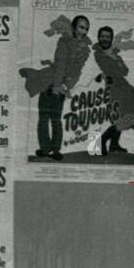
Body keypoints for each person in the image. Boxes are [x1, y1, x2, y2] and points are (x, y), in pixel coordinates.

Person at [36, 15, 91, 161]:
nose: (83, 31)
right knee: (45, 118)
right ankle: (46, 149)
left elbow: (76, 70)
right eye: (81, 27)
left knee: (53, 119)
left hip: (57, 85)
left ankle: (53, 150)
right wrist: (60, 85)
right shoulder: (65, 42)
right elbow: (60, 65)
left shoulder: (84, 49)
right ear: (73, 27)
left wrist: (63, 86)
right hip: (51, 83)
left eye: (86, 28)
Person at [93, 25, 134, 155]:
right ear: (98, 37)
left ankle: (114, 144)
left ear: (111, 39)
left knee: (125, 114)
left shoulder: (114, 54)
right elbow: (113, 70)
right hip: (114, 88)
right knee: (124, 116)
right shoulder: (98, 53)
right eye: (102, 36)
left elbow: (125, 71)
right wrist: (115, 65)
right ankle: (102, 140)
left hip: (124, 86)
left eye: (108, 37)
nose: (105, 39)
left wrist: (115, 61)